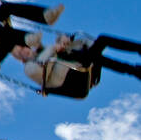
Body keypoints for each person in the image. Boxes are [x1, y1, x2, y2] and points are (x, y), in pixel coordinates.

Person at [13, 32, 141, 97]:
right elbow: (44, 70)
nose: (25, 50)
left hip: (79, 66)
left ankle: (135, 65)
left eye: (23, 47)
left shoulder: (41, 52)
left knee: (100, 42)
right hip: (74, 79)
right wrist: (54, 49)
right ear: (22, 59)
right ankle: (134, 70)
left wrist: (64, 41)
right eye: (20, 52)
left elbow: (55, 54)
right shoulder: (29, 68)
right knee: (89, 54)